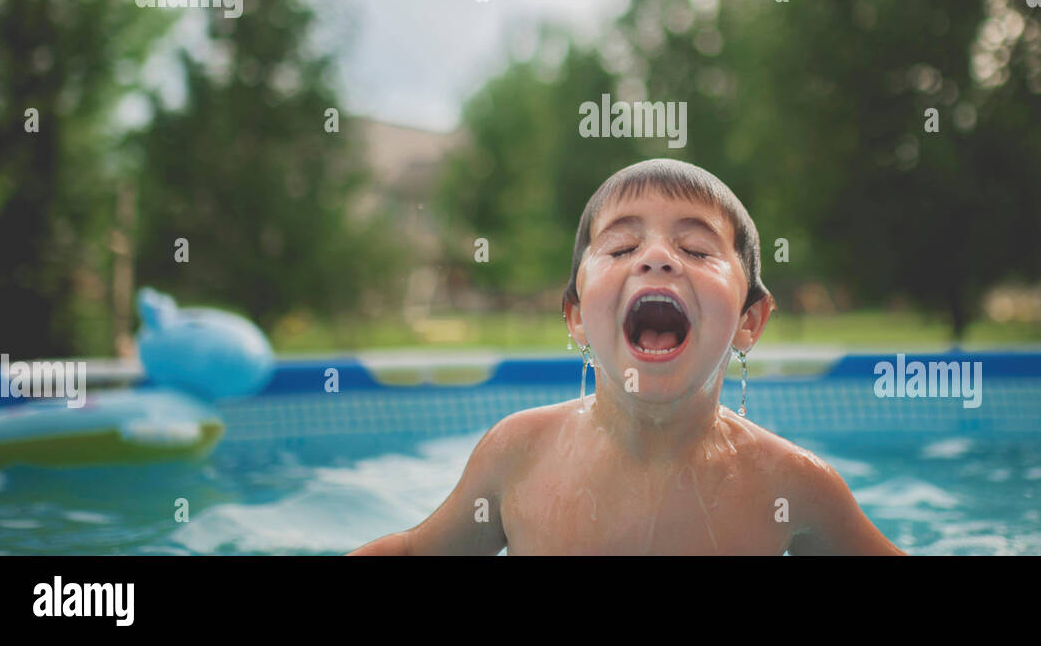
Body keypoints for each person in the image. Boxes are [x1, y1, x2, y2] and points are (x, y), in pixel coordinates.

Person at [349, 158, 905, 555]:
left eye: (694, 248)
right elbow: (414, 553)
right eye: (620, 247)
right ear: (575, 318)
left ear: (748, 322)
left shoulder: (791, 485)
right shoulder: (517, 455)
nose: (658, 258)